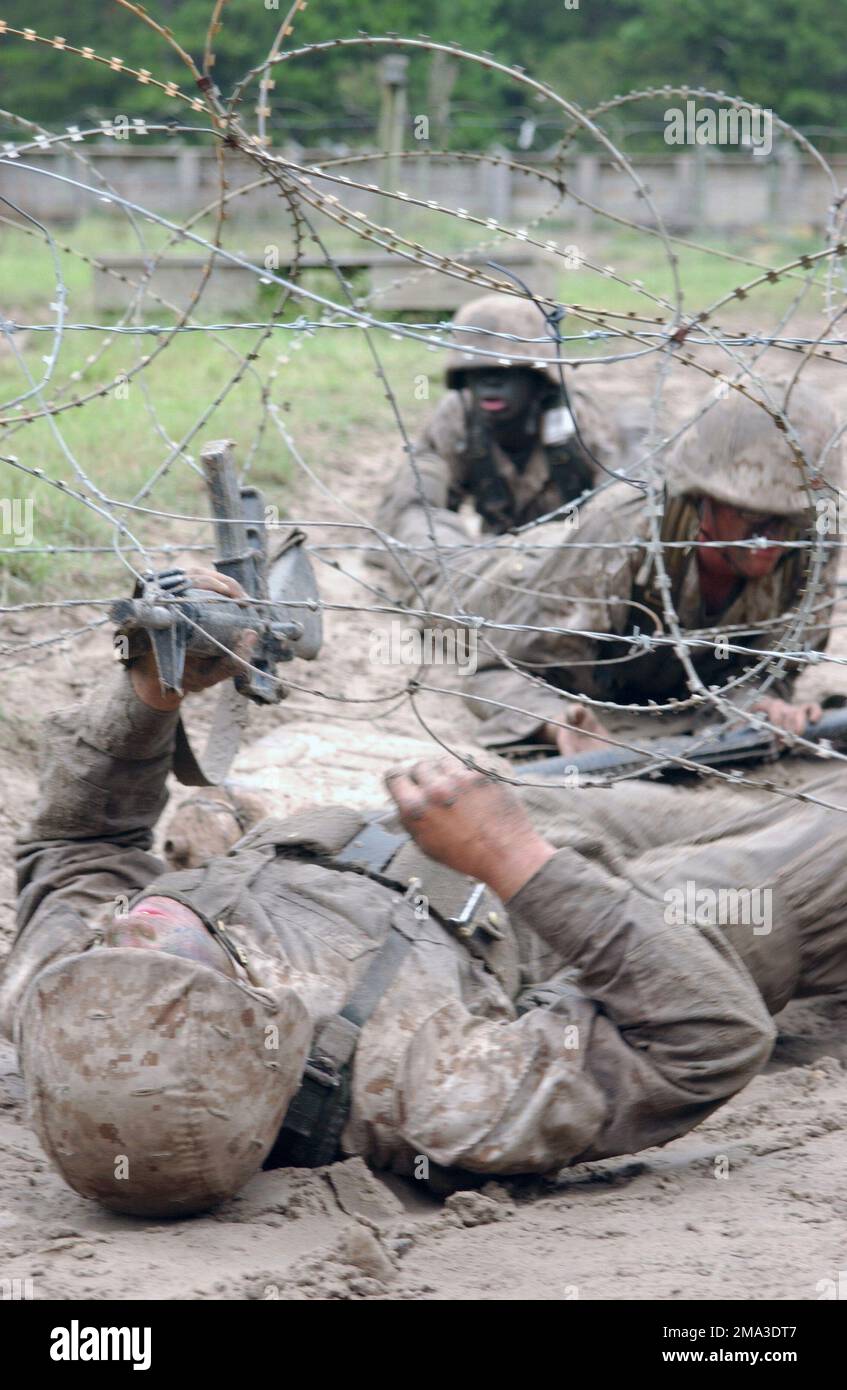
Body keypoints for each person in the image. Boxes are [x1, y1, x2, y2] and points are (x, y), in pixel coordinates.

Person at [4, 566, 847, 1218]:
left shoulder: (70, 990)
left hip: (458, 822)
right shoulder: (424, 1094)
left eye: (111, 946)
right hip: (593, 921)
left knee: (749, 783)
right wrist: (518, 863)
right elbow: (708, 1037)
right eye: (164, 963)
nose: (137, 925)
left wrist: (152, 692)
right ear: (261, 1031)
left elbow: (78, 841)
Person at [431, 378, 842, 755]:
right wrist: (554, 723)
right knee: (431, 560)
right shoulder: (622, 533)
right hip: (507, 579)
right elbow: (495, 670)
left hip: (610, 620)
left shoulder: (811, 540)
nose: (771, 539)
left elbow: (769, 669)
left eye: (789, 520)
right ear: (704, 500)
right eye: (754, 518)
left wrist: (759, 702)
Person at [374, 292, 642, 599]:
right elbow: (418, 510)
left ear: (539, 380)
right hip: (490, 564)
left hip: (571, 562)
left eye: (505, 372)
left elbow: (616, 510)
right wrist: (454, 568)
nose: (491, 384)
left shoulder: (578, 421)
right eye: (479, 374)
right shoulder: (457, 416)